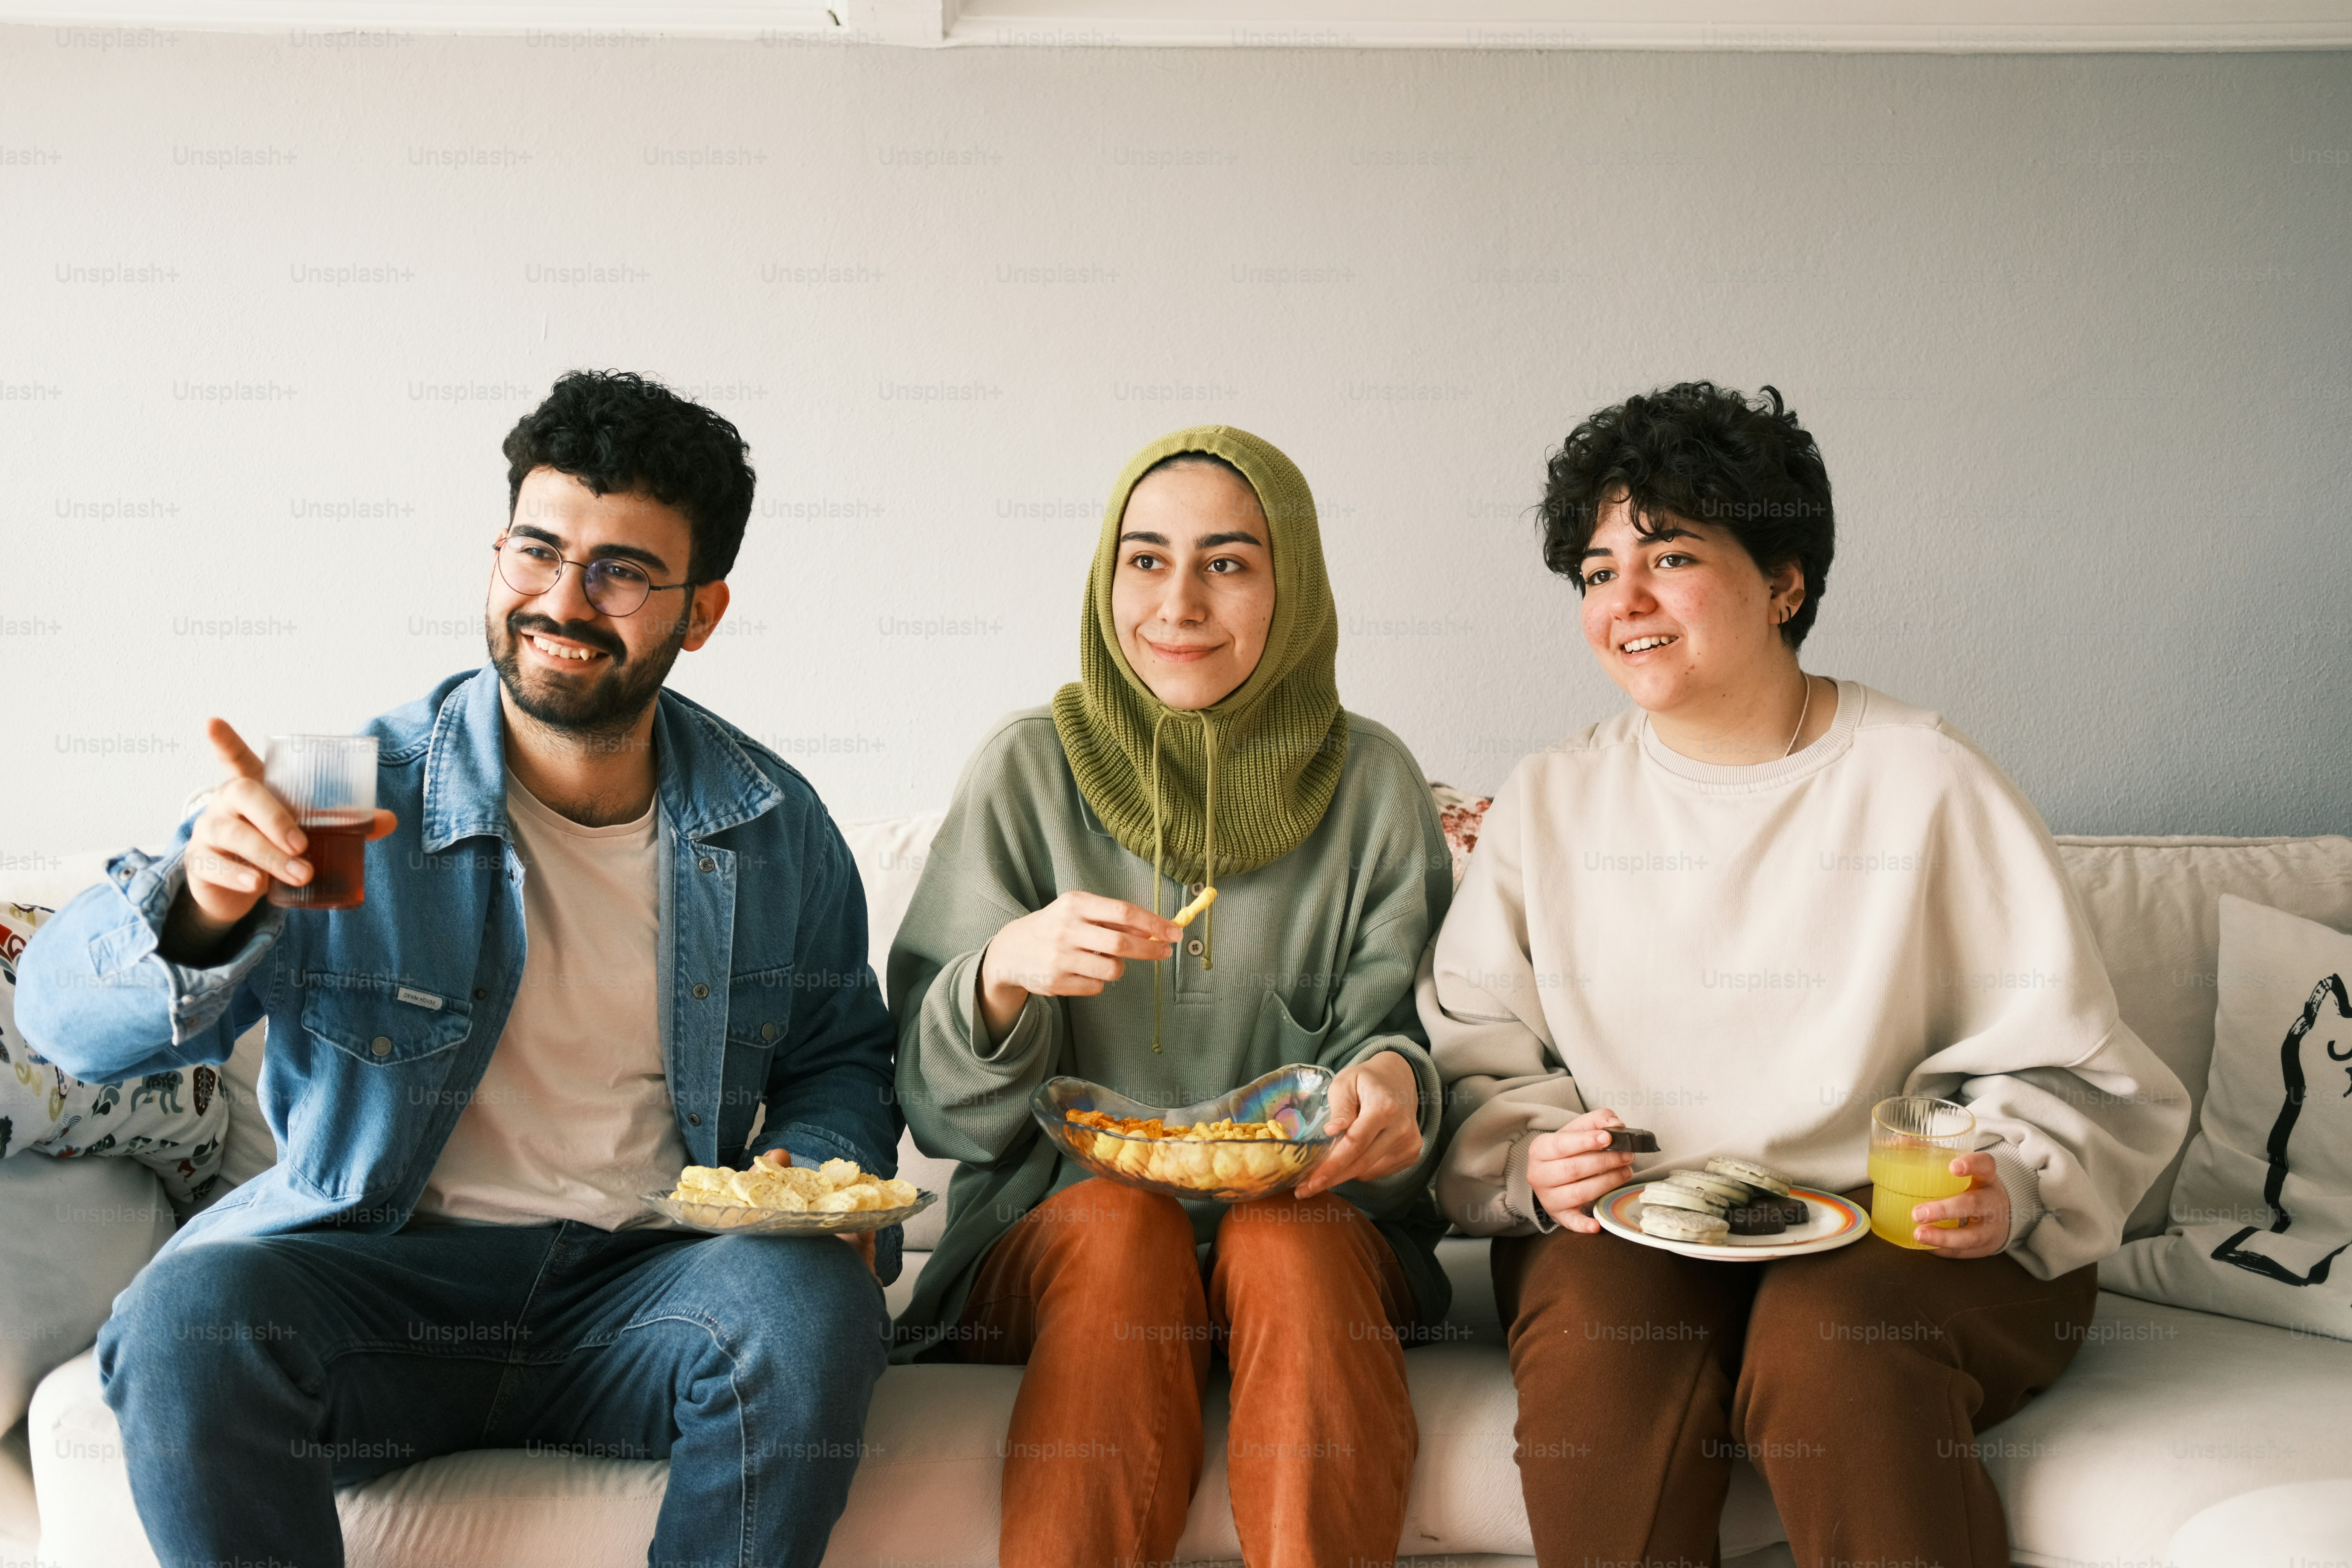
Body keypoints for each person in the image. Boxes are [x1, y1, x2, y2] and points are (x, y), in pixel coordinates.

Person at [17, 370, 899, 1568]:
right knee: (187, 1324)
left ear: (702, 612)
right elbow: (66, 1027)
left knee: (811, 1310)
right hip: (379, 1286)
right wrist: (201, 905)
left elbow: (837, 1053)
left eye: (624, 571)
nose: (564, 601)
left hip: (650, 1292)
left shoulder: (769, 823)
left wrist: (826, 1169)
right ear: (497, 554)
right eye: (536, 552)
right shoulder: (338, 797)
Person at [1422, 382, 2189, 1567]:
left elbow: (2074, 1071)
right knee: (1603, 1341)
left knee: (1833, 1342)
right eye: (1595, 570)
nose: (1624, 600)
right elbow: (1476, 1051)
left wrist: (2011, 1183)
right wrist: (1531, 1153)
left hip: (1900, 1229)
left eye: (1669, 556)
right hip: (1644, 1221)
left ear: (1785, 582)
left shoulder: (1924, 778)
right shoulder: (1552, 800)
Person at [889, 426, 1455, 1568]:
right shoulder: (1026, 768)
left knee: (1285, 1236)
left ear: (1291, 589)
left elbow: (1392, 1054)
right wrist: (1002, 974)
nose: (1178, 601)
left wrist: (1395, 1090)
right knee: (1118, 1223)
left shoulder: (1376, 786)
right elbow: (938, 1114)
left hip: (1306, 1227)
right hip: (1055, 1244)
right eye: (1145, 560)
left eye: (1228, 563)